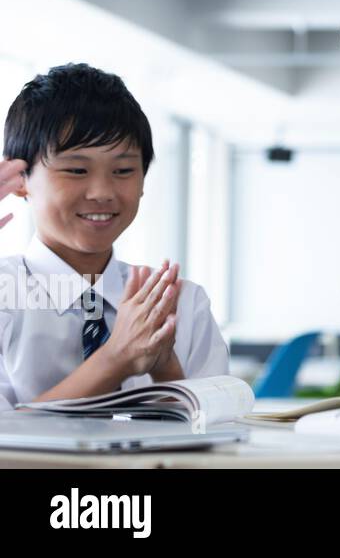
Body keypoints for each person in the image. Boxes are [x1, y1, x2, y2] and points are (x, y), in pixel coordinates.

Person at [0, 63, 229, 410]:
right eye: (77, 170)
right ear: (20, 178)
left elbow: (218, 435)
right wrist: (116, 358)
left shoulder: (182, 304)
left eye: (123, 171)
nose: (102, 192)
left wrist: (164, 367)